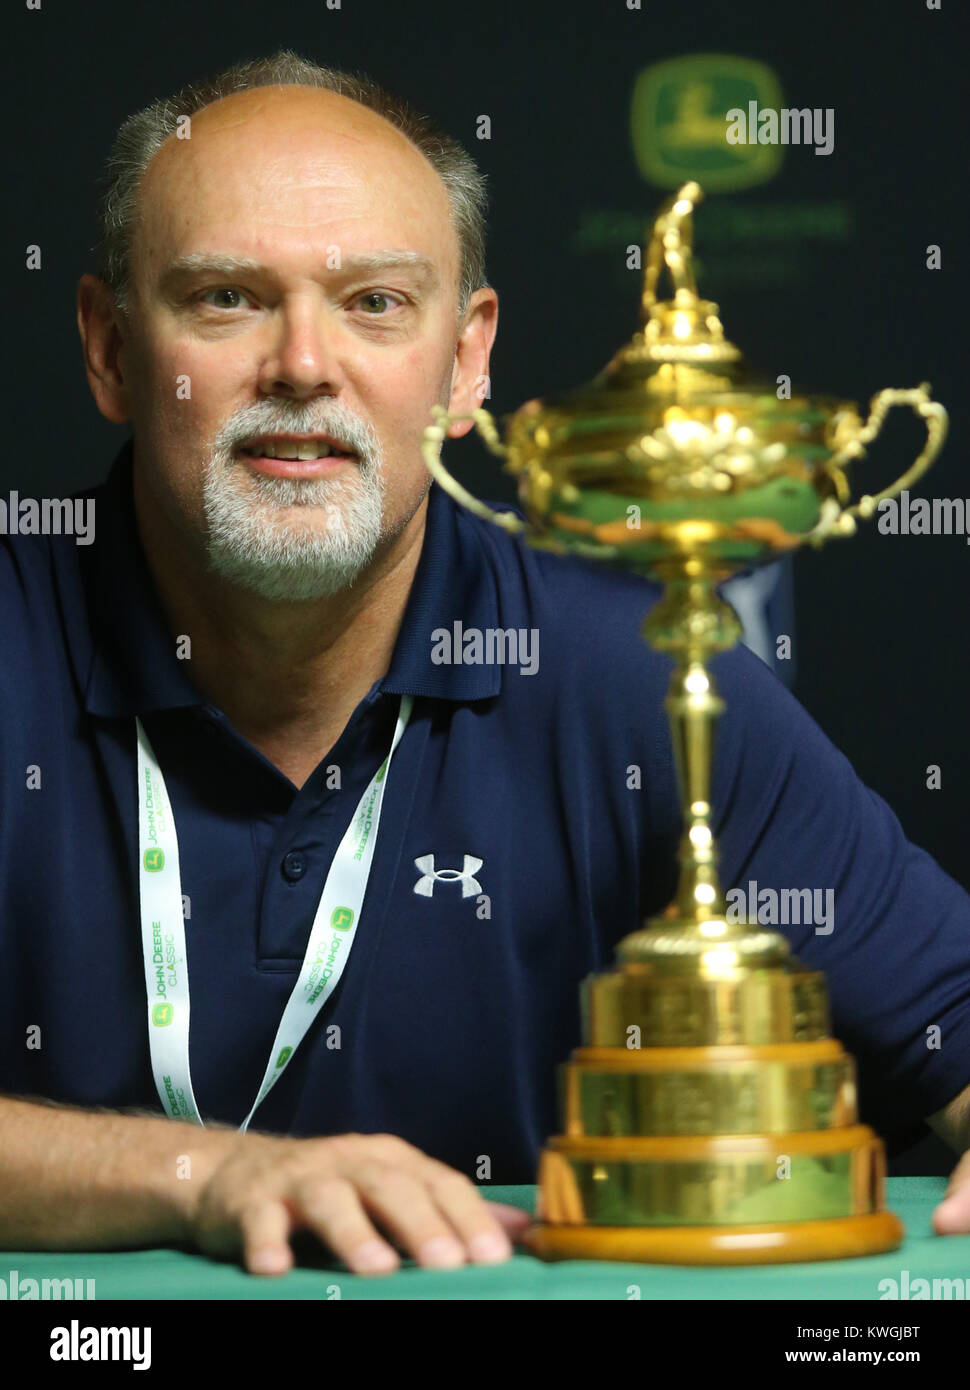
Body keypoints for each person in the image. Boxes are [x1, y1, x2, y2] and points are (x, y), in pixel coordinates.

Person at [2, 50, 968, 1281]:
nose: (303, 363)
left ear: (466, 364)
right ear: (107, 348)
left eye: (375, 303)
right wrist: (210, 1175)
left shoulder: (633, 673)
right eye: (228, 298)